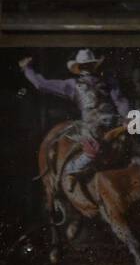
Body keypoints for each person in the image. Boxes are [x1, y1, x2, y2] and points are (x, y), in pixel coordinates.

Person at [19, 49, 131, 194]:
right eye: (84, 65)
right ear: (79, 68)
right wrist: (28, 69)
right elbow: (42, 84)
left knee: (138, 138)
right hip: (93, 127)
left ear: (94, 65)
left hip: (115, 123)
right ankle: (72, 169)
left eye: (89, 65)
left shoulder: (108, 82)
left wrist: (127, 117)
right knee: (95, 149)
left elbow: (120, 100)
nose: (87, 68)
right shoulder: (72, 85)